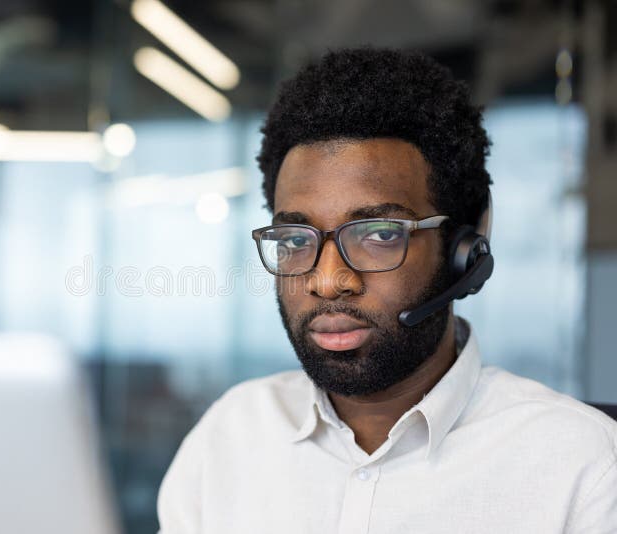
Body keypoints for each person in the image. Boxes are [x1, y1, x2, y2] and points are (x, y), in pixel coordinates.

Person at [156, 47, 617, 533]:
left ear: (465, 247)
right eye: (295, 239)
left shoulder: (584, 468)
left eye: (379, 234)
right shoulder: (228, 437)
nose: (327, 280)